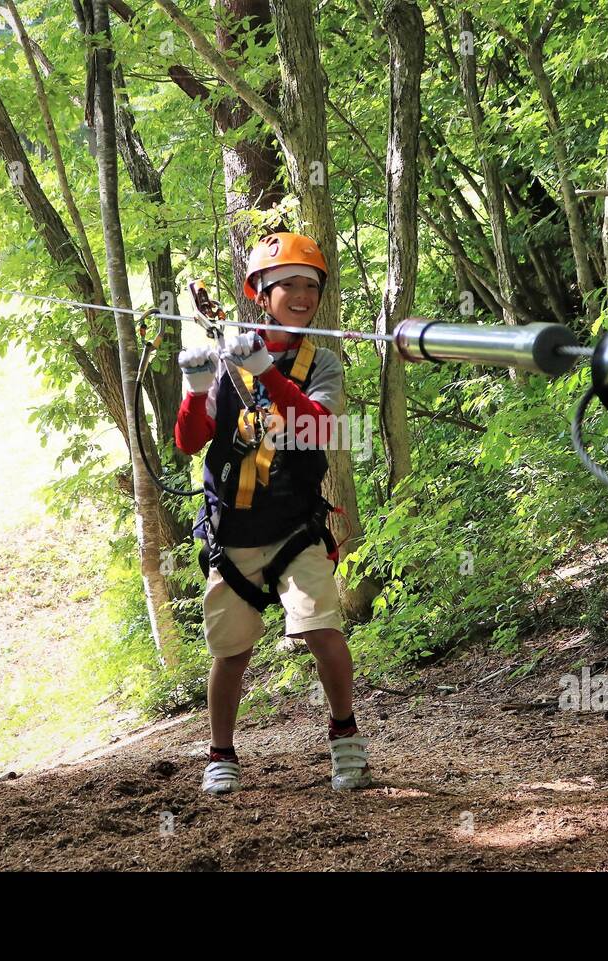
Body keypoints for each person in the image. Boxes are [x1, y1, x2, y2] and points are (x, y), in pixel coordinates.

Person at [174, 231, 371, 795]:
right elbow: (189, 442)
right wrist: (194, 389)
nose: (302, 295)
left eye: (311, 286)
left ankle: (345, 737)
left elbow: (319, 429)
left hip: (295, 528)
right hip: (232, 533)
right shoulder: (225, 359)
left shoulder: (324, 362)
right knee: (230, 651)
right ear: (261, 293)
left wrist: (266, 372)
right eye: (288, 285)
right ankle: (221, 754)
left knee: (322, 629)